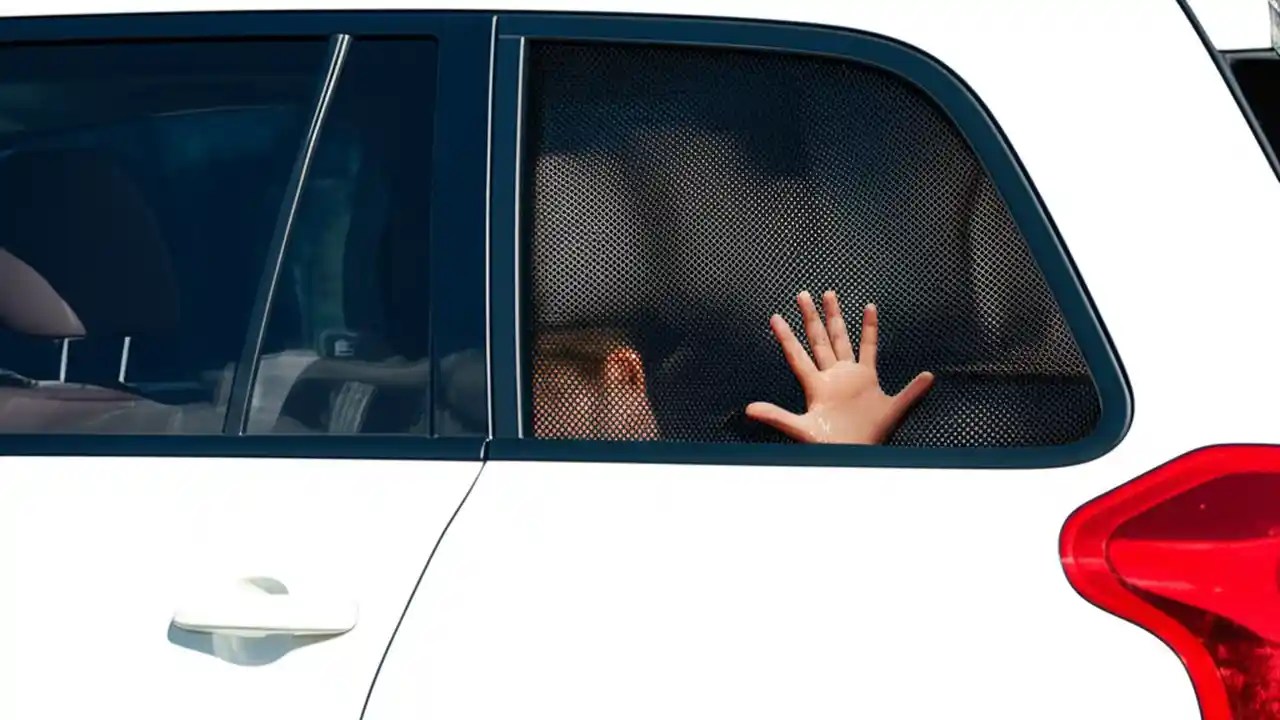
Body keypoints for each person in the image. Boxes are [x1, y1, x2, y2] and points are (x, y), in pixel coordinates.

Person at [531, 289, 934, 444]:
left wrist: (847, 456)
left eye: (545, 407)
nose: (539, 435)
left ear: (623, 374)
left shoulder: (727, 445)